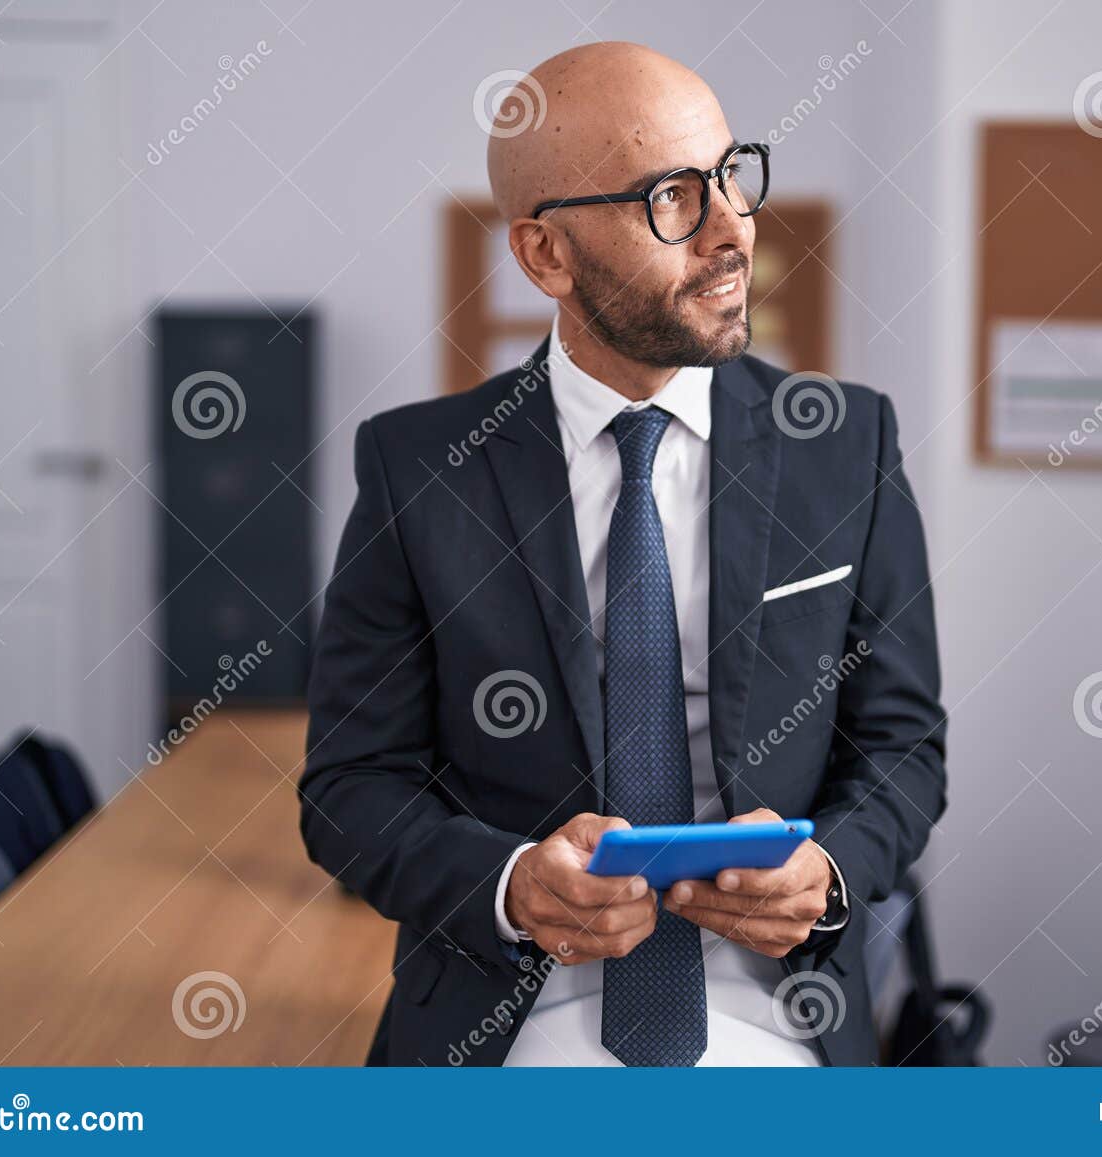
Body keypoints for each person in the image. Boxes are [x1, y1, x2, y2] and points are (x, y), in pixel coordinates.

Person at [298, 40, 947, 1066]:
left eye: (732, 175)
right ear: (545, 255)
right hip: (507, 1005)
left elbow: (905, 744)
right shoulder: (417, 468)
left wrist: (824, 868)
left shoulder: (846, 444)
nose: (733, 228)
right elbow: (348, 787)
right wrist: (510, 882)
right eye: (673, 199)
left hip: (784, 1010)